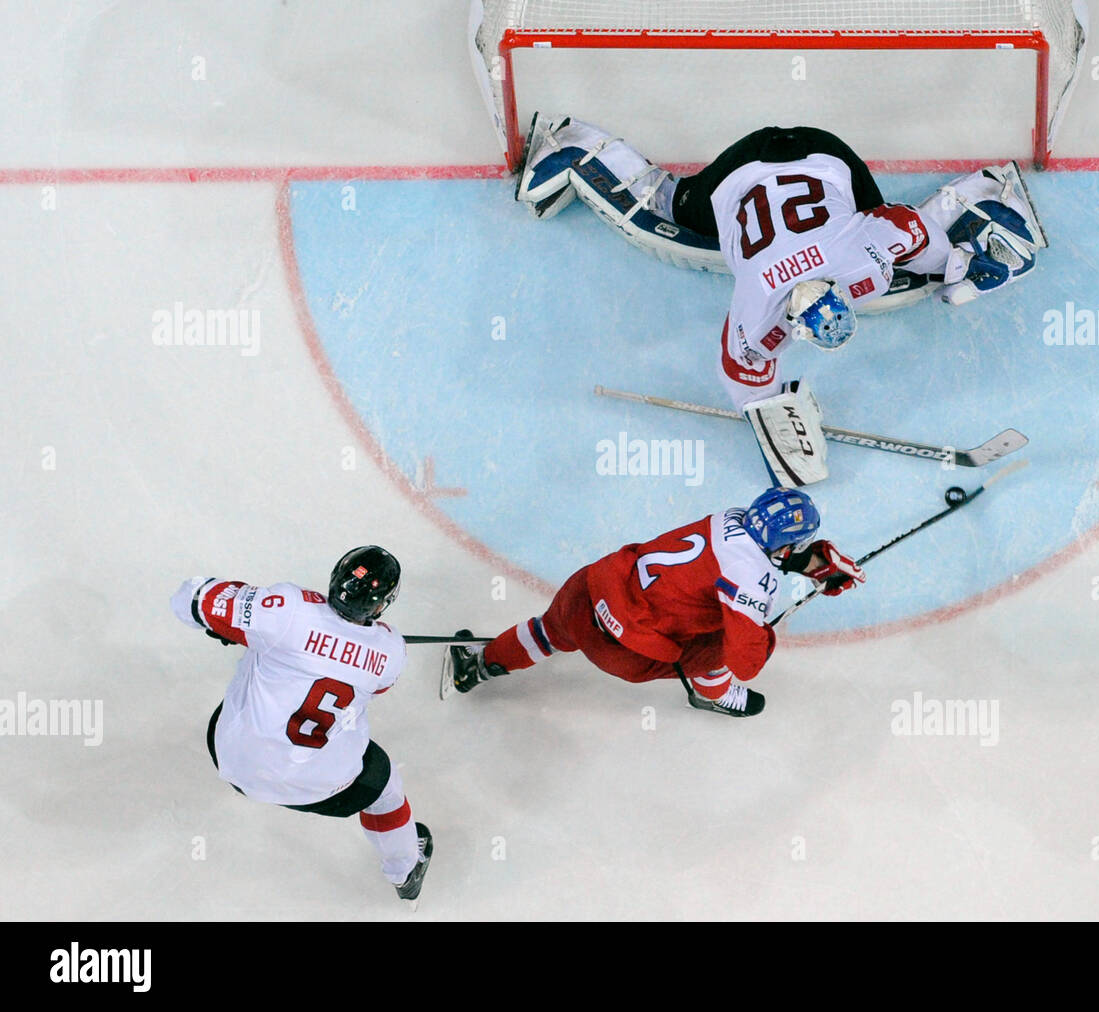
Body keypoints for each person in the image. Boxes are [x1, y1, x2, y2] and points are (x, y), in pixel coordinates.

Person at [515, 118, 1047, 486]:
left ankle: (577, 142)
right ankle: (573, 145)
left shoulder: (786, 288)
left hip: (788, 156)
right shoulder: (781, 288)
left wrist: (766, 411)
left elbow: (742, 366)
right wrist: (955, 265)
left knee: (672, 204)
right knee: (670, 209)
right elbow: (909, 228)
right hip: (815, 151)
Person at [446, 487, 865, 716]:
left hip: (589, 591)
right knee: (727, 642)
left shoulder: (733, 516)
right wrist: (764, 631)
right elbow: (747, 662)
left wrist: (810, 563)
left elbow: (744, 556)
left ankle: (480, 665)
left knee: (551, 630)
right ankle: (712, 693)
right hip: (625, 653)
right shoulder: (751, 581)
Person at [170, 546, 433, 906]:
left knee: (255, 681)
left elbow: (189, 599)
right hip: (324, 789)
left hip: (234, 761)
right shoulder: (390, 651)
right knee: (384, 788)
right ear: (380, 605)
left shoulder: (284, 608)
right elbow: (376, 684)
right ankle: (404, 872)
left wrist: (238, 614)